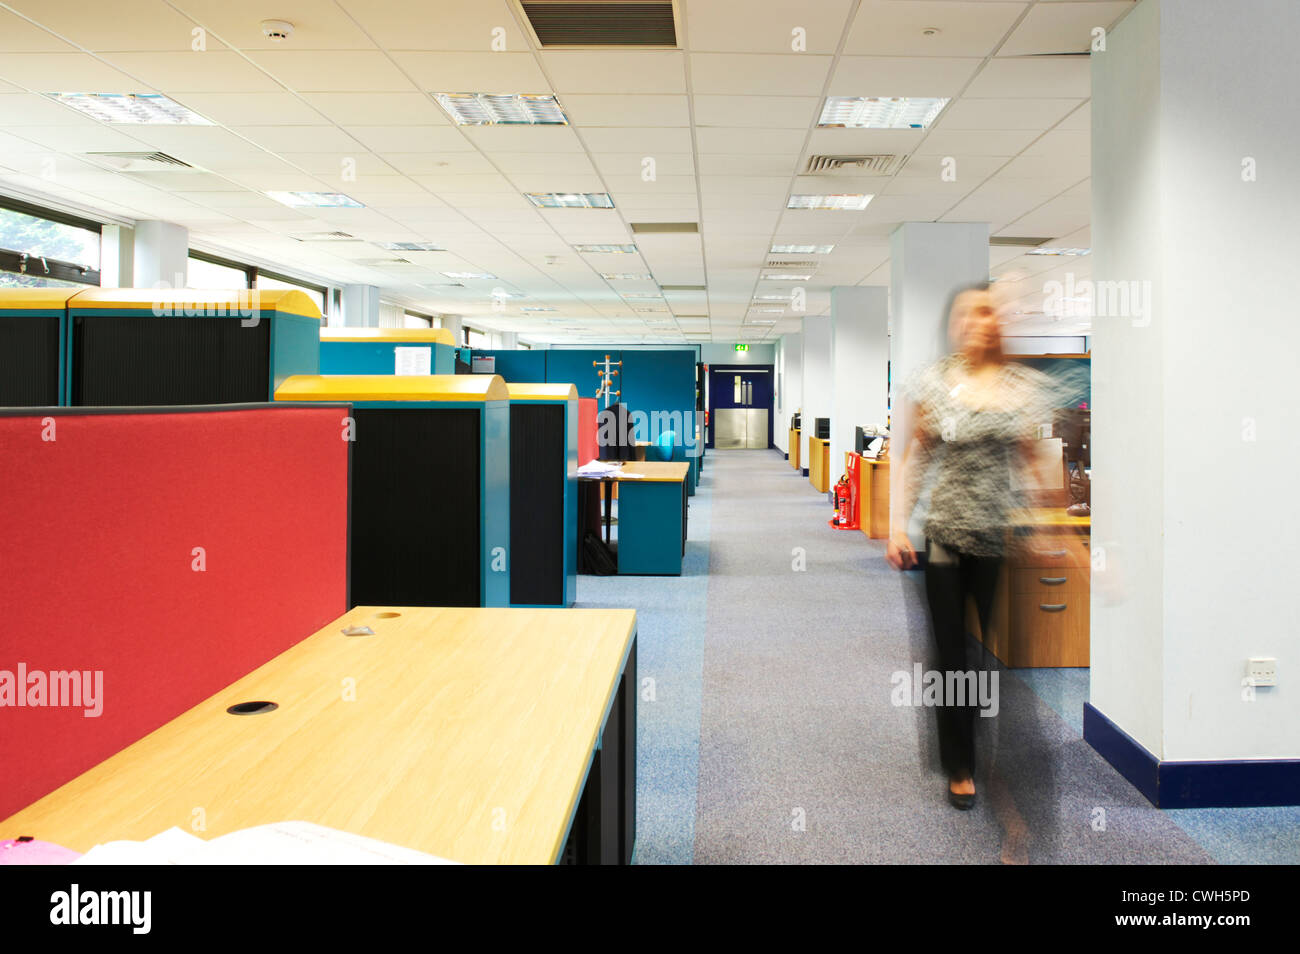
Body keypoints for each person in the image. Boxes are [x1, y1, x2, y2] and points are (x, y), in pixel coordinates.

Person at [886, 281, 1058, 812]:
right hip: (945, 538)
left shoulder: (1019, 386)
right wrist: (898, 525)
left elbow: (1034, 457)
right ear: (956, 326)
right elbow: (913, 456)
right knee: (951, 655)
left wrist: (1049, 523)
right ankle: (959, 765)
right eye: (968, 315)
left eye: (987, 314)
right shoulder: (934, 383)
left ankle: (1006, 759)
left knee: (1001, 657)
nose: (978, 323)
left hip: (999, 537)